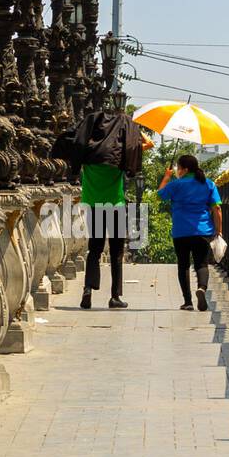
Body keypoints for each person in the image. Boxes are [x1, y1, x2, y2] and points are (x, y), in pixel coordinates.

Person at [52, 108, 144, 309]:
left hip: (94, 206)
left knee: (94, 250)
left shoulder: (88, 159)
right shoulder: (118, 160)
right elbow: (134, 152)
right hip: (116, 207)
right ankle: (115, 296)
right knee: (116, 253)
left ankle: (87, 290)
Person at [158, 154, 223, 311]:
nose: (176, 171)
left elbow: (160, 195)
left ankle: (187, 302)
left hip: (181, 231)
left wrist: (166, 177)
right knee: (201, 263)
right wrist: (219, 231)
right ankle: (201, 288)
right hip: (203, 231)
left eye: (178, 168)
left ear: (185, 169)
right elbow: (217, 209)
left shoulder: (176, 185)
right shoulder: (208, 184)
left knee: (183, 265)